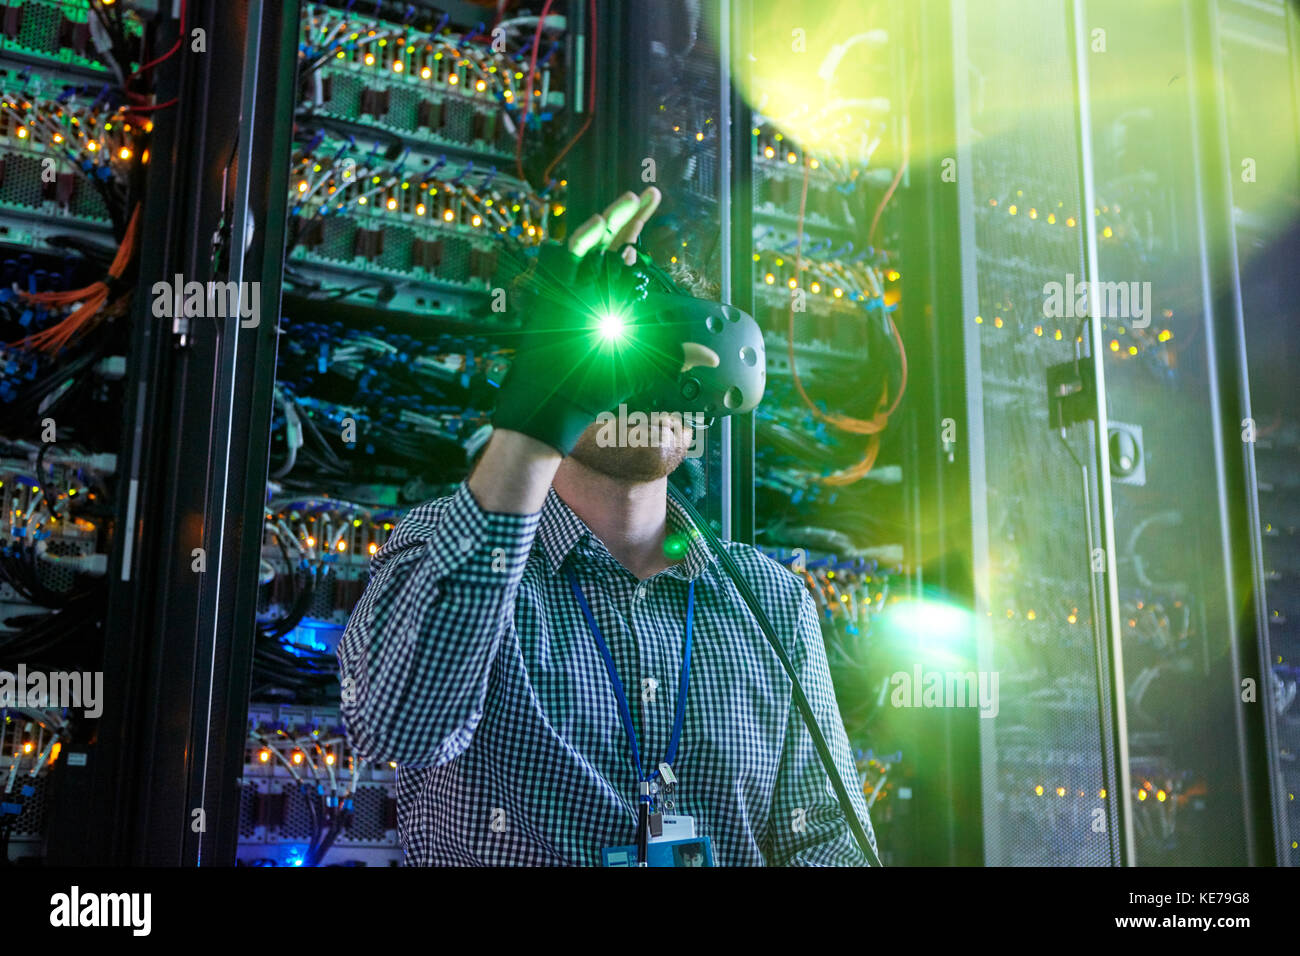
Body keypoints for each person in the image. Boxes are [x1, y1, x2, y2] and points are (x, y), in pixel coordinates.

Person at [336, 187, 878, 866]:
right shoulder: (438, 550)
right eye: (620, 352)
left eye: (663, 351)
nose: (638, 385)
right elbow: (398, 728)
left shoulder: (770, 602)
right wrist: (536, 425)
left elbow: (826, 840)